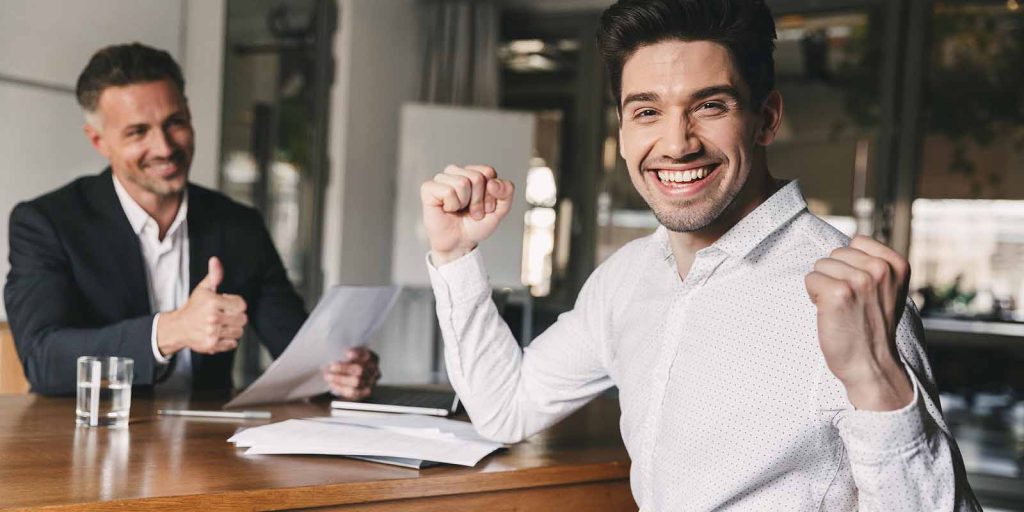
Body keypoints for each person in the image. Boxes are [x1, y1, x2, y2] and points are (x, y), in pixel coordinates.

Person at [418, 1, 979, 510]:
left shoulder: (846, 295)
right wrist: (455, 254)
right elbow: (507, 408)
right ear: (622, 125)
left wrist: (875, 377)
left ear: (767, 118)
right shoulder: (626, 277)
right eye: (646, 111)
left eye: (709, 106)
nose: (676, 142)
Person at [4, 43, 379, 399]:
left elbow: (298, 351)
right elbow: (43, 359)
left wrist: (342, 372)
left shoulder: (238, 225)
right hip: (86, 440)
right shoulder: (46, 222)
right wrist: (171, 331)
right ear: (99, 141)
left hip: (208, 447)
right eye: (138, 132)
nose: (165, 148)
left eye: (175, 123)